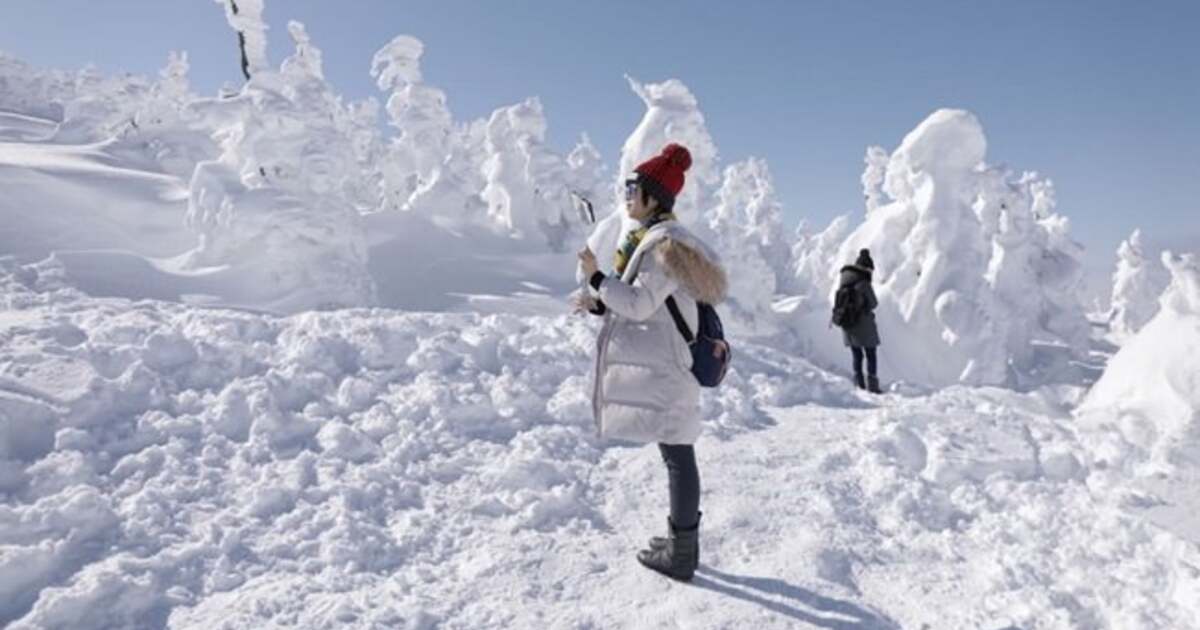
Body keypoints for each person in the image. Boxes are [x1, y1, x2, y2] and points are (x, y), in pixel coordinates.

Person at [574, 143, 727, 581]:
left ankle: (682, 553)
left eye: (633, 189)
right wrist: (599, 303)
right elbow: (648, 304)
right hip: (668, 362)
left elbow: (640, 304)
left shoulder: (664, 246)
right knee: (674, 451)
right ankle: (680, 540)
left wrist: (596, 275)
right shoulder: (655, 240)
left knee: (678, 455)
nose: (627, 197)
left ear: (654, 196)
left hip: (671, 366)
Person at [837, 249, 882, 393]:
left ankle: (859, 384)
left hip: (848, 324)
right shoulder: (863, 283)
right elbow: (874, 303)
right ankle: (873, 386)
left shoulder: (844, 281)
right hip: (863, 325)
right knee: (871, 354)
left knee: (857, 355)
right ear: (866, 268)